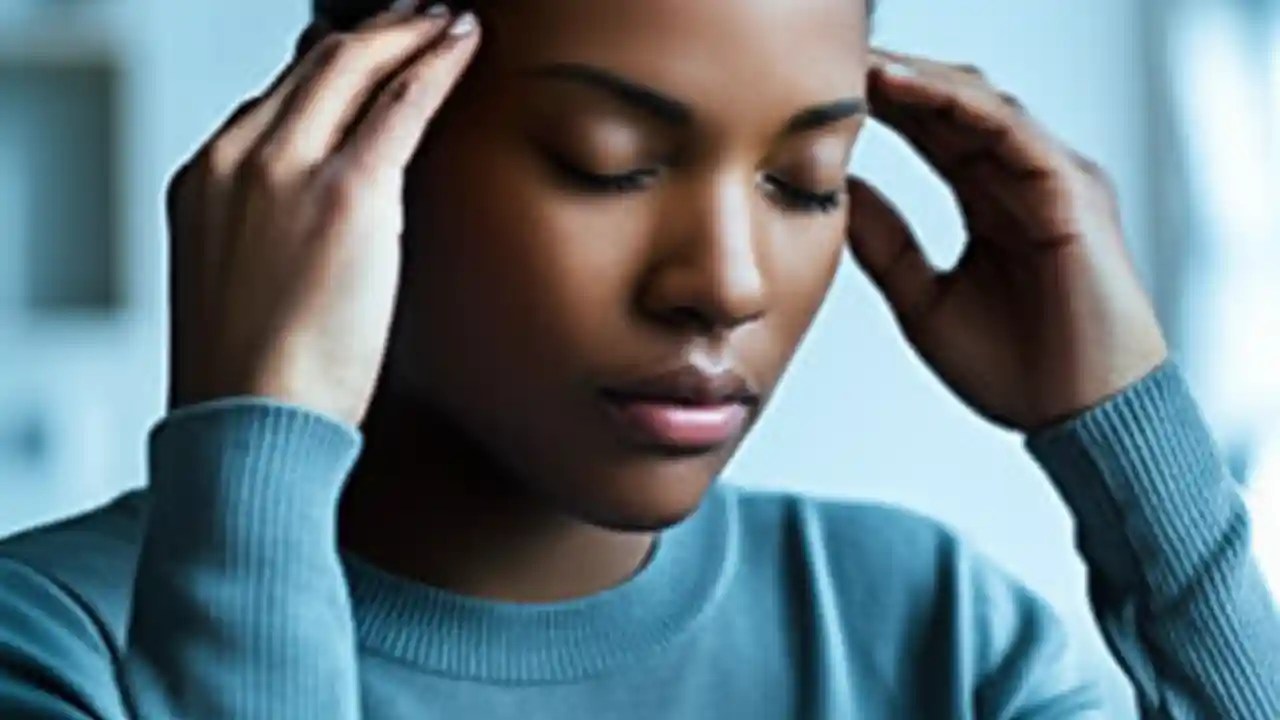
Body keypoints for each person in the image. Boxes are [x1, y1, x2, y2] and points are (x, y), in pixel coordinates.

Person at [0, 0, 1276, 717]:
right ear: (343, 153)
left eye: (803, 179)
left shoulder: (928, 637)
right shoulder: (54, 650)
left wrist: (1131, 441)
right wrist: (250, 450)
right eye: (608, 162)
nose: (723, 282)